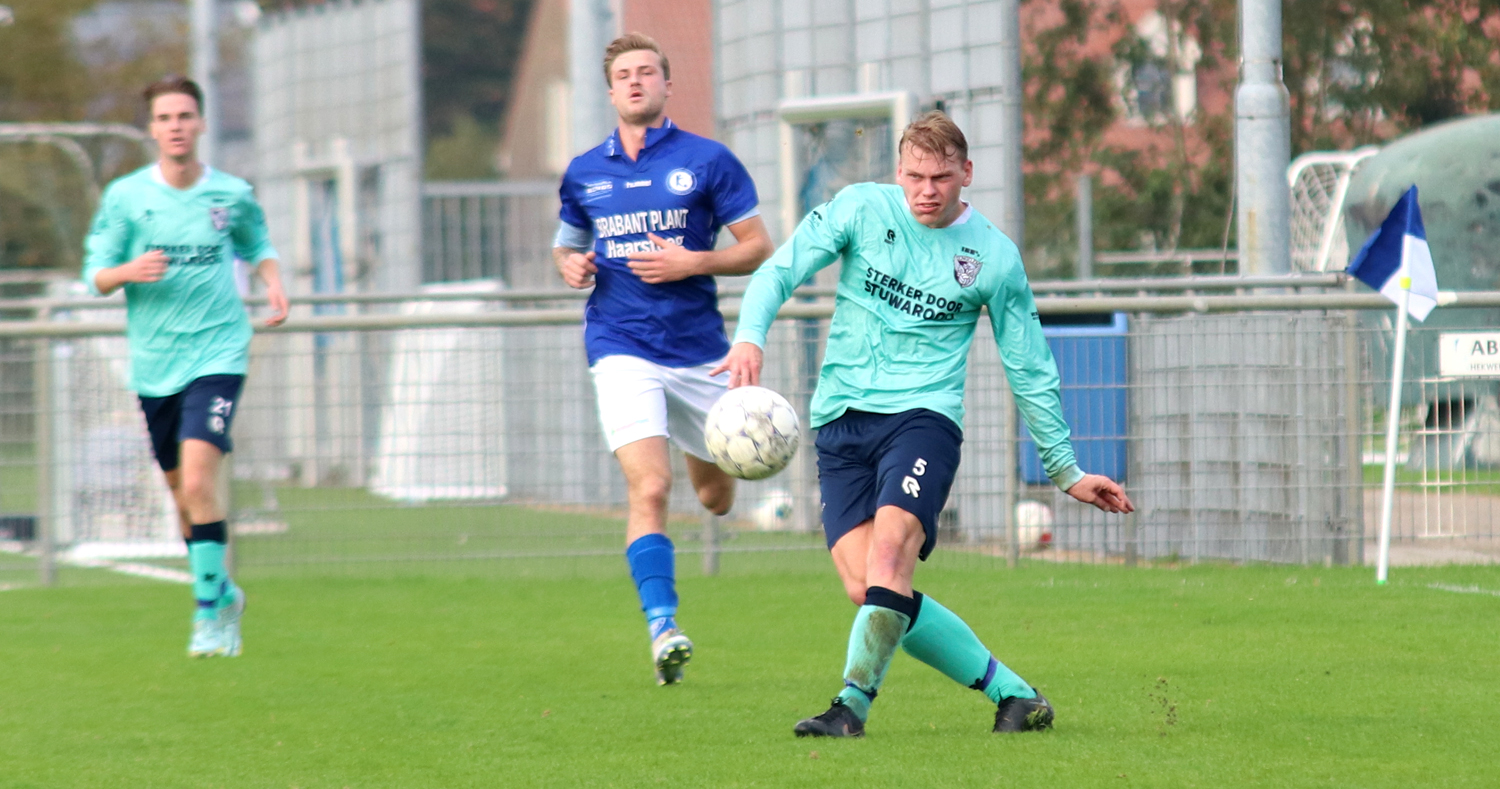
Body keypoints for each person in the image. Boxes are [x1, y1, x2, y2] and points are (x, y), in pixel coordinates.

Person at [716, 111, 1134, 736]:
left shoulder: (992, 256)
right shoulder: (860, 209)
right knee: (869, 592)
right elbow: (780, 269)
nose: (927, 190)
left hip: (923, 419)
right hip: (840, 422)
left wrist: (1064, 467)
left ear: (967, 173)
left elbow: (1030, 366)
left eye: (941, 176)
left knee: (890, 559)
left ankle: (849, 708)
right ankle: (1016, 695)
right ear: (898, 172)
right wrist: (750, 338)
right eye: (915, 176)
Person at [552, 33, 774, 685]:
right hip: (620, 347)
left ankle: (703, 455)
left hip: (700, 351)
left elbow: (759, 246)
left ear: (667, 84)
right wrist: (571, 264)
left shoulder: (709, 161)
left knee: (716, 496)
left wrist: (693, 260)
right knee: (649, 486)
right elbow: (565, 248)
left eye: (648, 71)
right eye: (624, 74)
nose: (636, 82)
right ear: (611, 89)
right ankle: (663, 626)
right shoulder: (584, 171)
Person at [83, 76, 289, 658]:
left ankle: (208, 616)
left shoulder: (230, 193)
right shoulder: (126, 198)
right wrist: (128, 271)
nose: (175, 125)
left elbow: (257, 243)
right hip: (155, 365)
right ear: (152, 129)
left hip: (219, 354)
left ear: (200, 124)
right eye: (165, 117)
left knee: (200, 481)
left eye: (185, 115)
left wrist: (273, 284)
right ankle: (221, 591)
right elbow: (94, 274)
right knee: (182, 497)